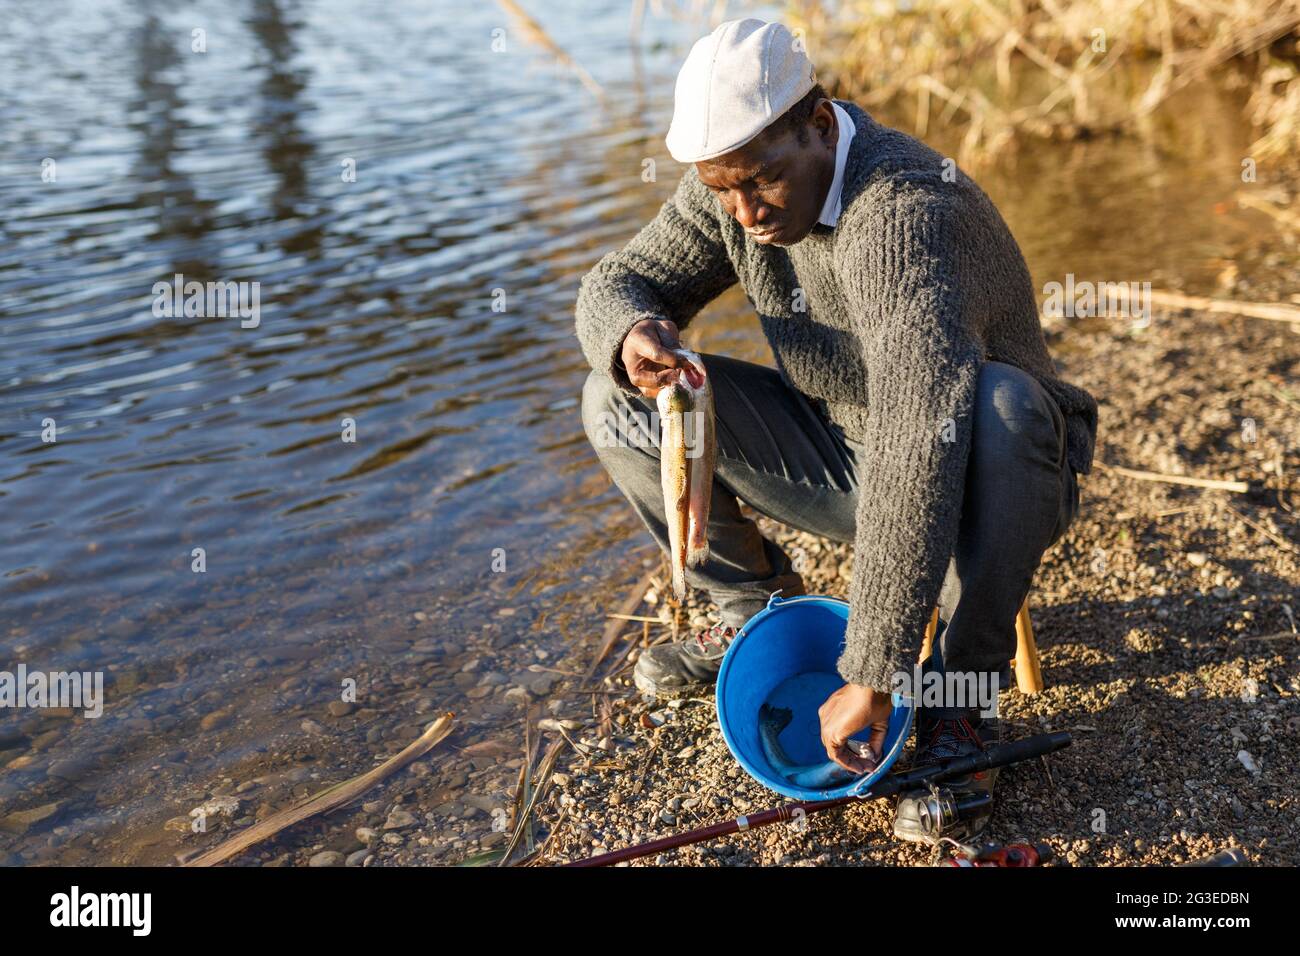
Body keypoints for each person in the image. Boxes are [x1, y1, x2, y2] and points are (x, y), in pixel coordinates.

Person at [575, 18, 1097, 843]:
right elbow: (621, 278)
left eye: (760, 183)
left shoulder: (902, 214)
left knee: (1002, 406)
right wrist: (634, 330)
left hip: (990, 468)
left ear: (820, 125)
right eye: (721, 191)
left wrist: (874, 671)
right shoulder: (735, 184)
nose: (743, 213)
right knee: (616, 400)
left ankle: (963, 689)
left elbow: (918, 445)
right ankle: (752, 610)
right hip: (847, 439)